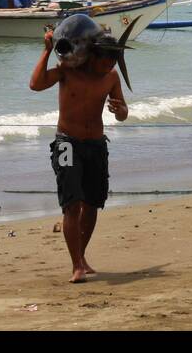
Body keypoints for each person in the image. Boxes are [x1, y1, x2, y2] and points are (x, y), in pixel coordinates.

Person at [29, 27, 128, 283]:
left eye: (110, 64)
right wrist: (47, 50)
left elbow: (122, 114)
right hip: (66, 144)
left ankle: (81, 256)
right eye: (102, 62)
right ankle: (76, 266)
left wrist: (120, 109)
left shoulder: (111, 77)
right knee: (71, 205)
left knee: (92, 204)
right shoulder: (67, 71)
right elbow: (35, 85)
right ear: (90, 56)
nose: (106, 68)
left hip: (96, 145)